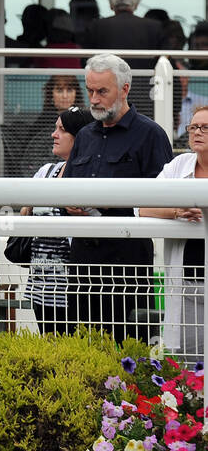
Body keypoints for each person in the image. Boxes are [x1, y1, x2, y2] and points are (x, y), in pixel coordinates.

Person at [63, 53, 173, 346]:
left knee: (132, 358)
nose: (94, 99)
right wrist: (68, 205)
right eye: (90, 91)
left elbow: (166, 199)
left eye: (102, 91)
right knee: (82, 355)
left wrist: (116, 202)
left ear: (124, 89)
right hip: (83, 265)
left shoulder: (151, 135)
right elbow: (66, 188)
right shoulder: (85, 135)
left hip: (128, 266)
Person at [138, 103, 208, 360]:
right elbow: (142, 207)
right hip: (186, 286)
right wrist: (176, 211)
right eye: (193, 127)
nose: (197, 133)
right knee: (186, 370)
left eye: (205, 128)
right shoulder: (179, 165)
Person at [16, 106, 91, 335]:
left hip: (74, 286)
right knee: (50, 345)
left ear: (79, 138)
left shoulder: (90, 175)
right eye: (55, 128)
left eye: (62, 129)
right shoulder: (46, 171)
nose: (54, 134)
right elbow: (24, 212)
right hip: (42, 284)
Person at [81, 0, 168, 117]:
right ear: (136, 3)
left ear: (111, 4)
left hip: (106, 97)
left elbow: (85, 62)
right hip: (146, 96)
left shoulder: (96, 26)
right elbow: (165, 62)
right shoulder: (154, 27)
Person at [13, 74, 83, 177]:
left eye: (69, 90)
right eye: (59, 90)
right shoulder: (40, 125)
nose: (65, 96)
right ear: (51, 94)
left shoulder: (87, 123)